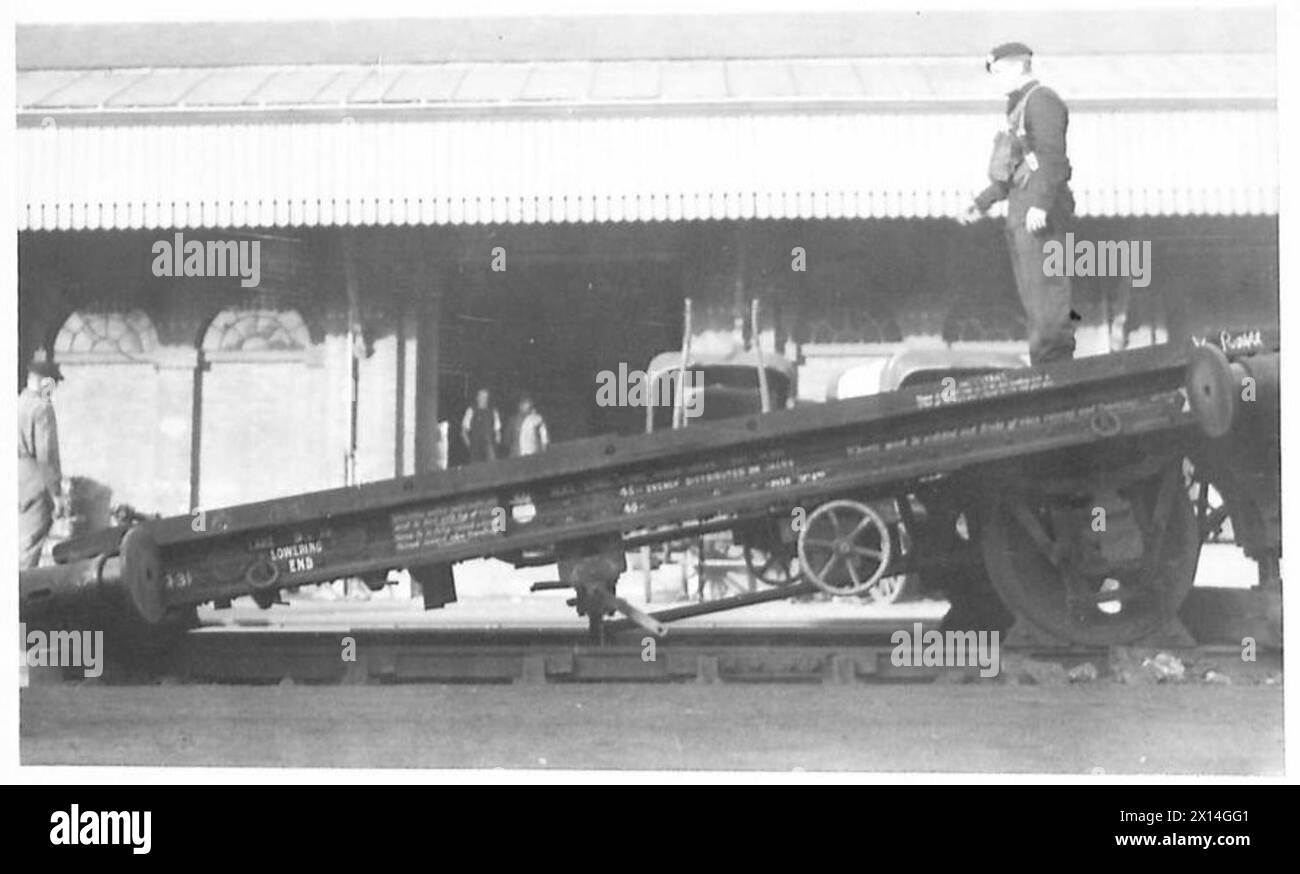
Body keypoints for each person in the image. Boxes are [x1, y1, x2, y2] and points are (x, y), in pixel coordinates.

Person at [958, 41, 1076, 365]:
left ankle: (1055, 372)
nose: (995, 81)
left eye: (997, 73)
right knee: (1034, 300)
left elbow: (1052, 156)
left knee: (1047, 296)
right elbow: (1012, 170)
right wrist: (982, 203)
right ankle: (1044, 368)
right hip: (1022, 214)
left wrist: (1040, 203)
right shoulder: (1018, 107)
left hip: (1041, 216)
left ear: (1015, 66)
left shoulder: (1042, 101)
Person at [18, 359, 67, 569]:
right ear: (45, 382)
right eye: (53, 383)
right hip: (35, 481)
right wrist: (57, 495)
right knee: (28, 550)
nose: (53, 389)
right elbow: (46, 457)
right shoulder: (42, 408)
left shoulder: (18, 402)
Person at [460, 387, 502, 463]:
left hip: (489, 448)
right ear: (477, 398)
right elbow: (464, 432)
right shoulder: (471, 410)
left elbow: (498, 433)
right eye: (481, 396)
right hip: (475, 448)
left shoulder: (493, 411)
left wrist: (495, 446)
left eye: (485, 397)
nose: (483, 399)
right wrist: (470, 446)